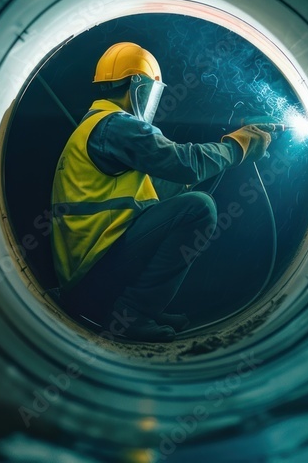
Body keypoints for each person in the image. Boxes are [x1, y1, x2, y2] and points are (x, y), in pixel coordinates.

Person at [51, 42, 273, 342]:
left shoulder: (95, 125)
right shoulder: (116, 125)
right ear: (138, 86)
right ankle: (132, 314)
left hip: (88, 275)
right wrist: (237, 147)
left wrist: (207, 167)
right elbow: (184, 162)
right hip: (92, 277)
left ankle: (142, 308)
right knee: (199, 208)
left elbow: (166, 183)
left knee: (186, 192)